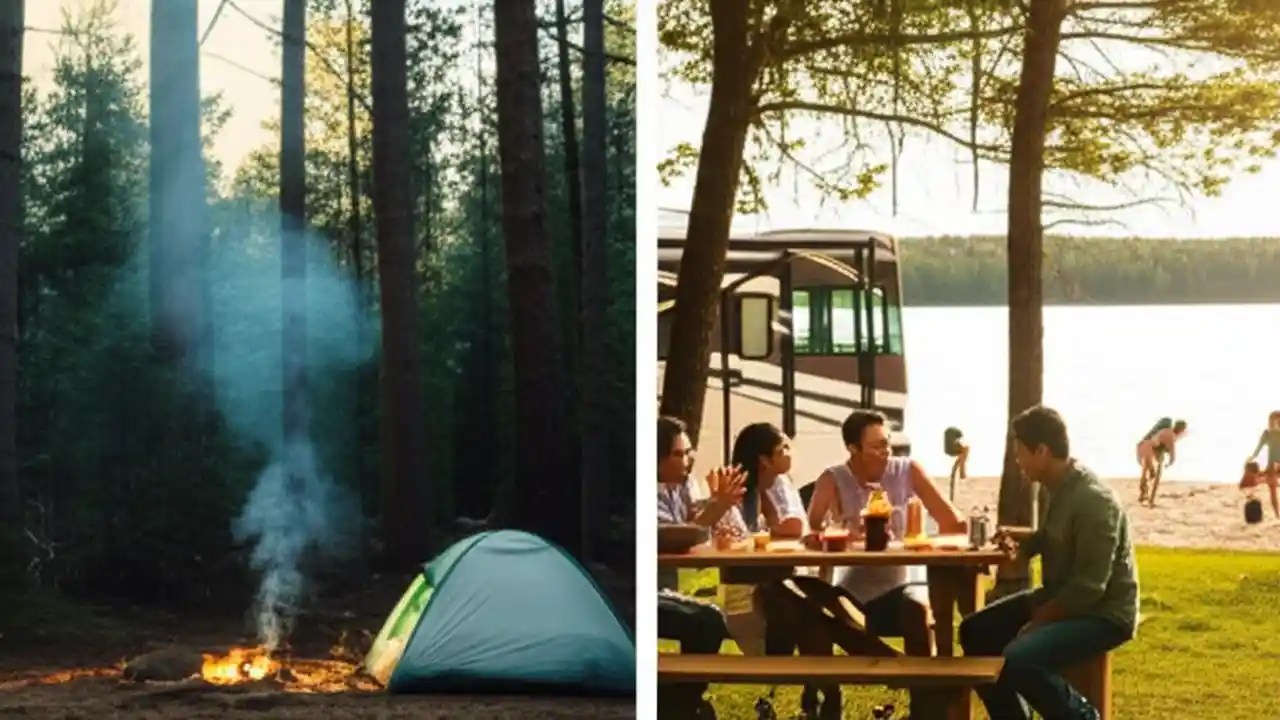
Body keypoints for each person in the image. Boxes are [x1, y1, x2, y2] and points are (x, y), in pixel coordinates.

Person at [783, 410, 966, 719]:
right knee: (816, 610)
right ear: (853, 449)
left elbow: (954, 522)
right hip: (850, 587)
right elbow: (807, 531)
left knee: (918, 612)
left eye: (888, 444)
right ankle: (828, 699)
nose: (887, 452)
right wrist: (832, 536)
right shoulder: (833, 478)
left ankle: (925, 709)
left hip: (901, 584)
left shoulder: (907, 471)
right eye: (878, 446)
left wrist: (930, 539)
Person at [959, 405, 1139, 720]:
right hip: (1060, 596)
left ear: (1042, 451)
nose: (1018, 463)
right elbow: (1050, 538)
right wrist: (1019, 541)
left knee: (1019, 657)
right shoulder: (1056, 487)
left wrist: (1039, 621)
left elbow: (1089, 587)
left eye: (1020, 455)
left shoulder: (1095, 501)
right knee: (975, 631)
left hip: (1102, 613)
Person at [657, 415, 744, 720]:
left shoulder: (682, 486)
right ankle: (675, 705)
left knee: (706, 619)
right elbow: (678, 536)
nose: (687, 460)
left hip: (666, 590)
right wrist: (717, 506)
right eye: (678, 454)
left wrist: (720, 507)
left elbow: (699, 520)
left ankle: (675, 702)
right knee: (707, 620)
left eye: (688, 452)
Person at [1136, 418, 1186, 506]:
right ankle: (1147, 497)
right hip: (1147, 449)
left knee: (1151, 474)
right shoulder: (1169, 434)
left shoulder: (1169, 433)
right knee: (1150, 474)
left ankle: (1146, 497)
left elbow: (1164, 447)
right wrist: (1170, 462)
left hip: (1150, 450)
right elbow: (1172, 451)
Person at [1247, 411, 1280, 506]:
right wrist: (1252, 457)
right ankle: (1277, 516)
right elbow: (1259, 447)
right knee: (1272, 490)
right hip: (1272, 465)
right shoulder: (1267, 434)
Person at [944, 426, 969, 501]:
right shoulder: (957, 435)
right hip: (952, 449)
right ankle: (962, 473)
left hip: (951, 449)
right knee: (966, 449)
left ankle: (962, 471)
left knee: (964, 452)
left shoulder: (951, 435)